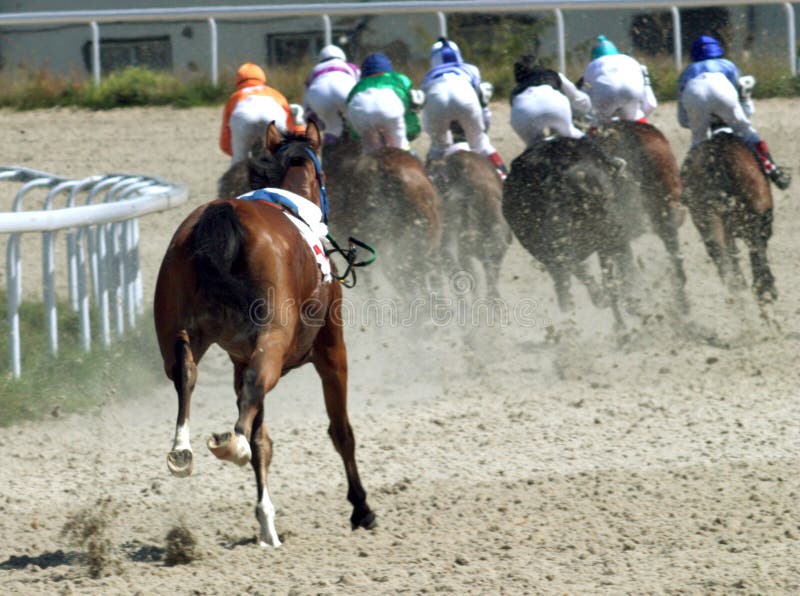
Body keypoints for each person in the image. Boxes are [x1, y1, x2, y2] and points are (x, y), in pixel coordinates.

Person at [677, 35, 790, 189]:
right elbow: (744, 99)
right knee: (747, 133)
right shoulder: (728, 65)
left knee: (699, 141)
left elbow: (683, 119)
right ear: (718, 50)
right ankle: (774, 170)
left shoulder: (687, 72)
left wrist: (697, 123)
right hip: (723, 92)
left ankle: (686, 184)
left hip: (695, 93)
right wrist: (739, 118)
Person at [421, 37, 507, 179]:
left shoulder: (428, 76)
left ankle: (429, 180)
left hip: (437, 98)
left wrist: (436, 138)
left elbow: (426, 113)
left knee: (438, 149)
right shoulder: (471, 69)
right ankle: (503, 176)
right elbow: (482, 102)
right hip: (464, 95)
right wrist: (482, 129)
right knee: (480, 143)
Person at [219, 62, 296, 164]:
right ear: (262, 79)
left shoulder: (235, 97)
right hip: (273, 116)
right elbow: (289, 127)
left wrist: (237, 151)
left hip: (244, 117)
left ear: (238, 82)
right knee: (280, 163)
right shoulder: (275, 93)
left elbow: (225, 138)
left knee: (239, 164)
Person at [345, 52, 422, 152]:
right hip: (390, 109)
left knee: (370, 152)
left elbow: (352, 122)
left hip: (361, 111)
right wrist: (412, 132)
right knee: (402, 148)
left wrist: (358, 137)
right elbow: (409, 114)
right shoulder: (400, 79)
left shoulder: (357, 86)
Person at [510, 54, 592, 147]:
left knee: (533, 147)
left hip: (523, 113)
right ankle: (605, 160)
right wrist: (586, 109)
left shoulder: (516, 90)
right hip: (555, 107)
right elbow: (578, 98)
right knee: (573, 134)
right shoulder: (552, 74)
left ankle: (525, 158)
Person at [580, 35, 657, 124]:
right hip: (631, 92)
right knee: (637, 117)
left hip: (606, 95)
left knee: (598, 124)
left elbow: (585, 101)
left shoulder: (591, 66)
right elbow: (651, 104)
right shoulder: (630, 60)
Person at [303, 44, 360, 146]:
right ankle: (356, 147)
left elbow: (306, 95)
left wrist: (308, 114)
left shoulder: (314, 69)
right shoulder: (350, 66)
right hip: (344, 90)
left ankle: (330, 154)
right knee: (355, 124)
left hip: (319, 95)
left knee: (332, 128)